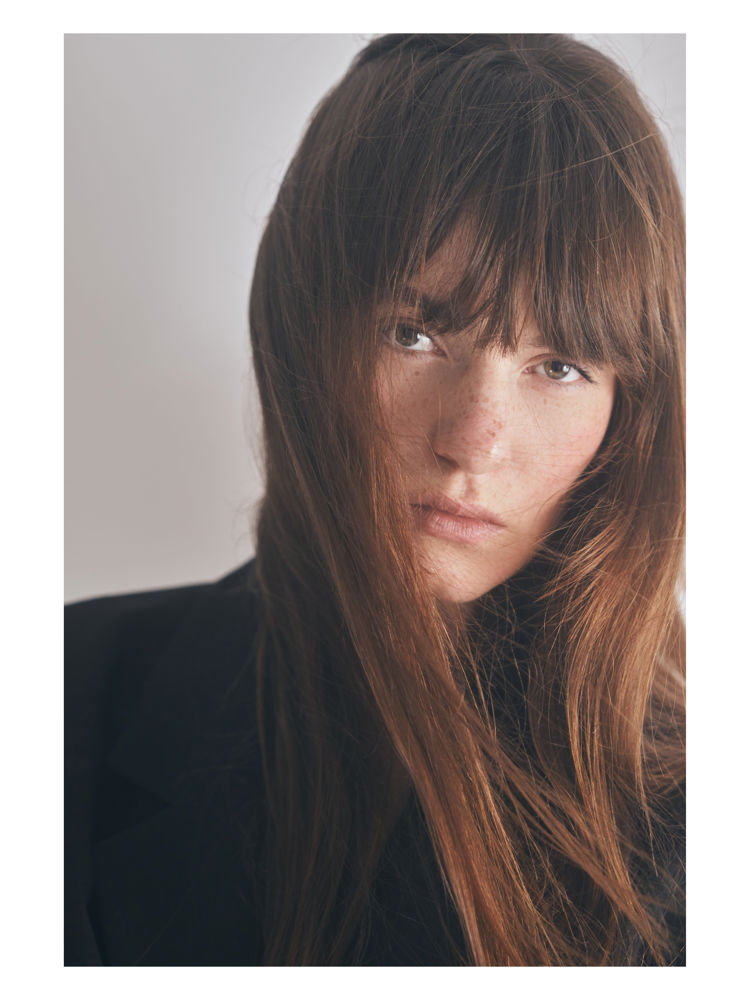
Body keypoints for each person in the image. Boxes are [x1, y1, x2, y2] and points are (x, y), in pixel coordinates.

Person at [65, 34, 685, 966]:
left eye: (560, 365)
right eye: (414, 333)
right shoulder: (60, 700)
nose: (475, 439)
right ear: (301, 329)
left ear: (629, 412)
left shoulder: (701, 817)